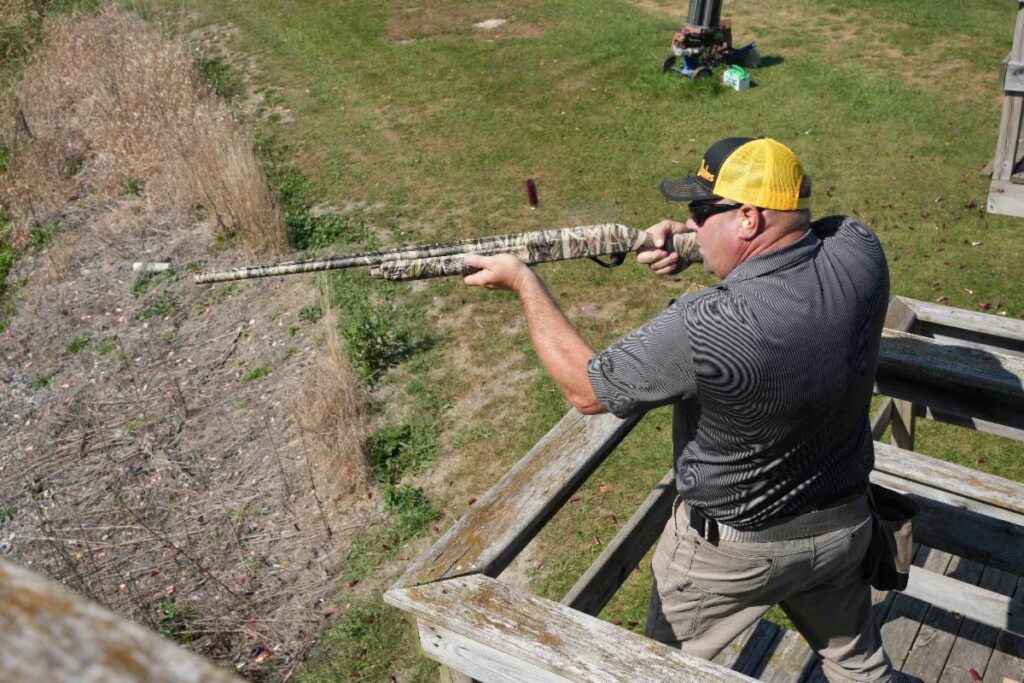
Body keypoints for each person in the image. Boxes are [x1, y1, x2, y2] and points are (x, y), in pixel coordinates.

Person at [462, 136, 894, 683]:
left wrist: (525, 282)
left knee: (660, 672)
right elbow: (801, 240)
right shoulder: (860, 252)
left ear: (747, 218)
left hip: (730, 556)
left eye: (696, 215)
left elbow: (588, 390)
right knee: (861, 667)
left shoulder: (708, 322)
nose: (687, 226)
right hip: (842, 529)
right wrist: (695, 246)